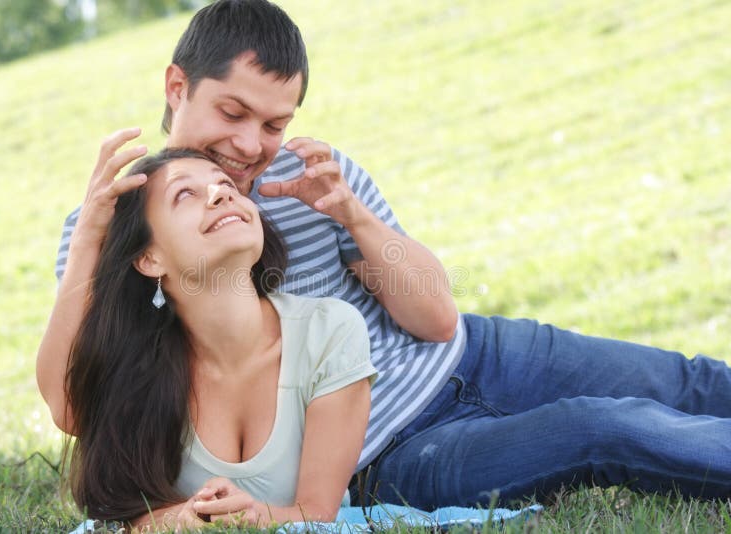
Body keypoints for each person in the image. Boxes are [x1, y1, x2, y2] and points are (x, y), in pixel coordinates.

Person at [38, 0, 731, 516]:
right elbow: (73, 409)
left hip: (477, 355)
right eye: (233, 113)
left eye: (275, 124)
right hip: (392, 451)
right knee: (608, 428)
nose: (252, 146)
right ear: (177, 87)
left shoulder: (317, 183)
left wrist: (352, 215)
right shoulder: (118, 223)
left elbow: (435, 320)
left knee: (685, 384)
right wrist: (89, 243)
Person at [59, 147, 376, 528]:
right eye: (185, 194)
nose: (222, 194)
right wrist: (185, 519)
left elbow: (318, 514)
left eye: (226, 184)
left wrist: (255, 516)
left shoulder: (329, 332)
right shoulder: (135, 365)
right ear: (149, 258)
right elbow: (123, 515)